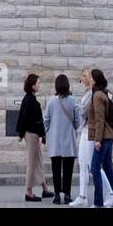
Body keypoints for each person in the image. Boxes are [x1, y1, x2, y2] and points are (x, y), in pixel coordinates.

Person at [87, 68, 113, 208]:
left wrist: (97, 140)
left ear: (95, 80)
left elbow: (100, 119)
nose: (89, 79)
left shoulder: (97, 95)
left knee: (95, 168)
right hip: (109, 136)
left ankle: (98, 202)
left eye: (91, 77)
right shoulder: (104, 93)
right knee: (108, 168)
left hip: (103, 137)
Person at [71, 67, 108, 206]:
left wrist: (77, 106)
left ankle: (110, 192)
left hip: (90, 132)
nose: (84, 78)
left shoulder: (93, 94)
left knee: (94, 166)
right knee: (84, 164)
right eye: (83, 75)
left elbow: (85, 111)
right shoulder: (88, 93)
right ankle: (82, 196)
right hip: (86, 130)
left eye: (86, 76)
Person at [43, 73, 80, 204]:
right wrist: (72, 128)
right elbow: (77, 121)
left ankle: (57, 195)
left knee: (56, 169)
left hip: (55, 142)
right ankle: (68, 195)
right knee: (68, 170)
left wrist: (49, 132)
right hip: (69, 140)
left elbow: (46, 120)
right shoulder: (73, 100)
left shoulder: (51, 101)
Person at [17, 72, 49, 202]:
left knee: (38, 162)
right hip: (31, 135)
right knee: (32, 163)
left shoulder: (30, 98)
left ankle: (45, 188)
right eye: (38, 83)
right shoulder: (29, 100)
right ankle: (29, 192)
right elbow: (25, 118)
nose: (39, 85)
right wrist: (21, 134)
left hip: (33, 134)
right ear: (32, 85)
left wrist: (42, 135)